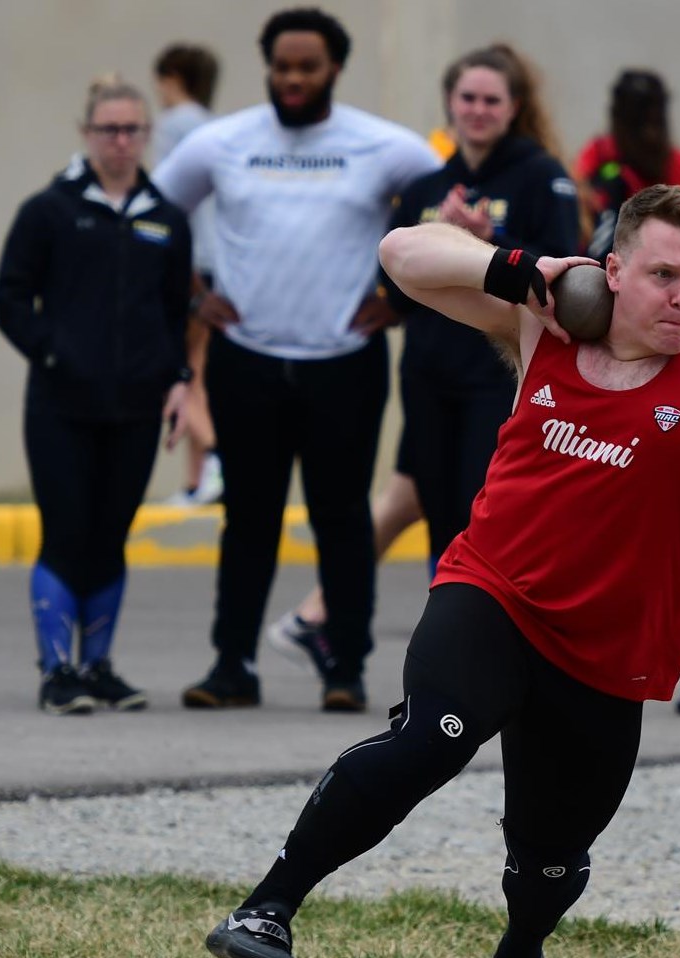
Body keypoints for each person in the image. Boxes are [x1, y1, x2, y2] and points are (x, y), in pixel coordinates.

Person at [202, 187, 680, 958]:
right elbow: (401, 255)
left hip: (609, 646)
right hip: (494, 590)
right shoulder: (546, 322)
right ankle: (269, 907)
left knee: (551, 851)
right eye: (662, 275)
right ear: (611, 271)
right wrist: (515, 267)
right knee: (429, 737)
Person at [153, 8, 440, 713]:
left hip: (344, 364)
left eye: (307, 67)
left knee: (342, 519)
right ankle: (232, 666)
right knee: (247, 519)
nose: (292, 79)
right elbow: (154, 214)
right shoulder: (225, 142)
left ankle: (345, 668)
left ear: (334, 68)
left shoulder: (385, 147)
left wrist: (399, 301)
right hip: (246, 360)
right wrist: (194, 297)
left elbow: (448, 209)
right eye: (281, 66)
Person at [268, 44, 581, 668]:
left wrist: (489, 245)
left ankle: (493, 653)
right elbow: (397, 284)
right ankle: (447, 655)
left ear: (513, 107)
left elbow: (568, 270)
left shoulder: (540, 175)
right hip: (428, 377)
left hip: (497, 376)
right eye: (467, 98)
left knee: (479, 514)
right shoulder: (426, 188)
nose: (478, 110)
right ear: (449, 104)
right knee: (438, 515)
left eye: (491, 99)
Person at [0, 74, 194, 715]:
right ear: (86, 134)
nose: (121, 141)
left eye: (132, 129)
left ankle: (98, 666)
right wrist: (54, 353)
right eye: (109, 129)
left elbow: (175, 313)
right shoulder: (48, 211)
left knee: (109, 535)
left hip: (136, 408)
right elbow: (8, 301)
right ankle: (57, 671)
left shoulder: (166, 218)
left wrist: (179, 381)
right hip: (60, 406)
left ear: (147, 134)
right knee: (66, 532)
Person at [150, 43, 227, 509]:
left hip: (191, 261)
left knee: (181, 370)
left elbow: (165, 198)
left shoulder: (174, 124)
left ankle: (217, 458)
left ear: (173, 77)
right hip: (219, 260)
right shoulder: (215, 126)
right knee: (199, 369)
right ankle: (198, 481)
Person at [573, 70, 680, 257]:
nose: (649, 133)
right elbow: (579, 219)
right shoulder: (597, 157)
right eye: (638, 122)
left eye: (655, 121)